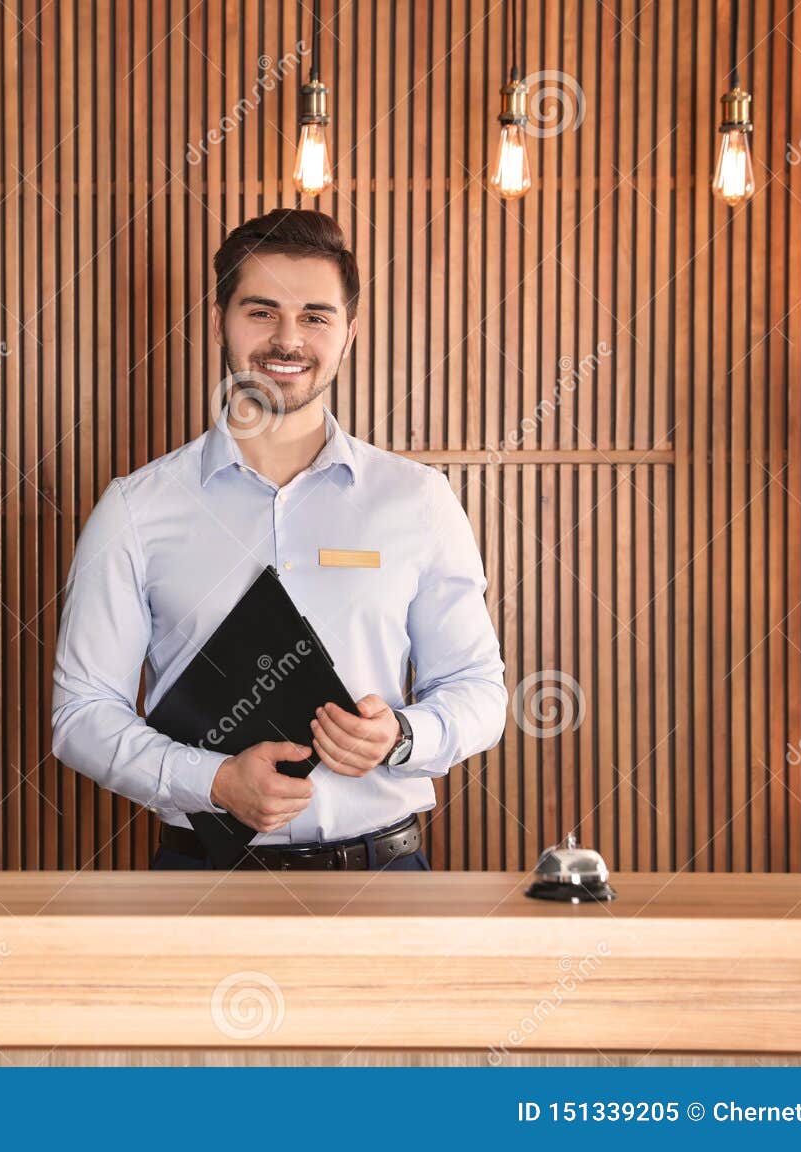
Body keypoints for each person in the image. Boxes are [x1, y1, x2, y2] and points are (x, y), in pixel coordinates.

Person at [50, 208, 506, 871]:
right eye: (261, 312)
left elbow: (479, 690)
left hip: (382, 883)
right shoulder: (135, 509)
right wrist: (212, 781)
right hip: (200, 885)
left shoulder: (418, 500)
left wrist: (402, 734)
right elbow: (82, 714)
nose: (288, 340)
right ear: (219, 323)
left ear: (349, 334)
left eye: (315, 317)